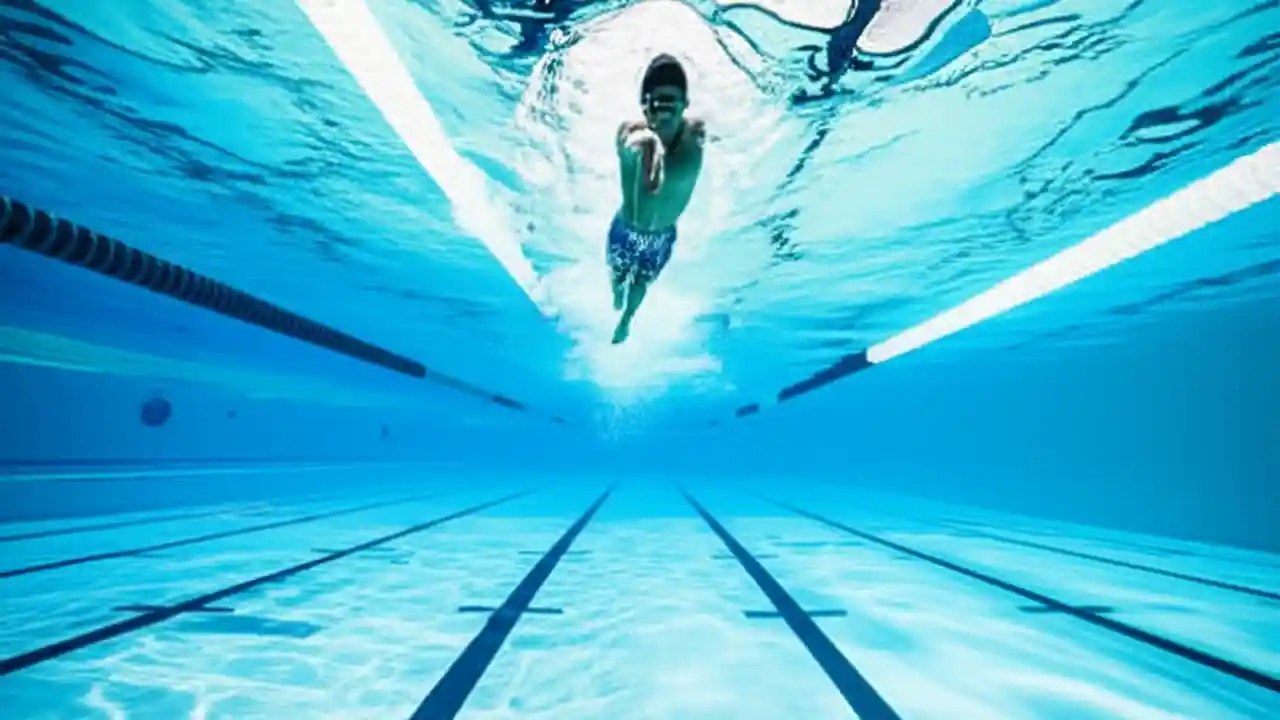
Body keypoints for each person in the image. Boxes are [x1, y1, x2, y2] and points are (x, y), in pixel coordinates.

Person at [607, 53, 706, 344]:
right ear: (643, 105)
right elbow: (631, 142)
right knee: (617, 277)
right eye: (655, 102)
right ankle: (615, 294)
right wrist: (649, 148)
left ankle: (627, 319)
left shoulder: (695, 136)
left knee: (641, 284)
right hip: (625, 230)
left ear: (685, 105)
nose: (662, 112)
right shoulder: (631, 134)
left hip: (662, 237)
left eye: (670, 103)